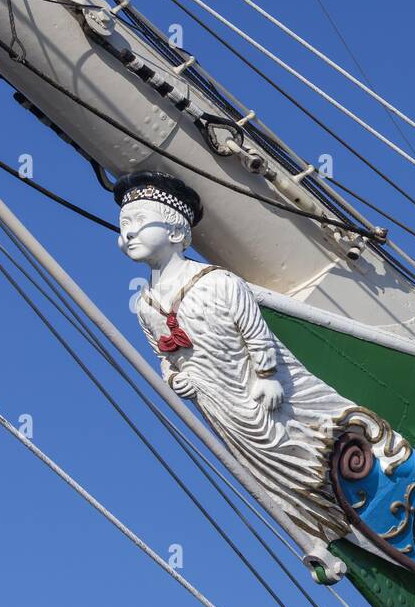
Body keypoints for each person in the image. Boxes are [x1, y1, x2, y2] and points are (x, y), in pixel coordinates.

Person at [115, 170, 356, 542]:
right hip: (219, 403)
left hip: (260, 390)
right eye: (123, 225)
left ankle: (344, 487)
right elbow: (166, 357)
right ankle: (318, 518)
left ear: (177, 233)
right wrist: (174, 376)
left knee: (294, 442)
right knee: (263, 463)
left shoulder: (217, 281)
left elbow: (254, 332)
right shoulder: (145, 306)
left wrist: (267, 374)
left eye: (140, 222)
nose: (127, 232)